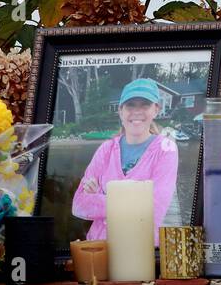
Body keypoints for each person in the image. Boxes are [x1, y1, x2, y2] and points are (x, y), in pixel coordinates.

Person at [72, 77, 179, 244]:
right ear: (121, 111)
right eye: (130, 105)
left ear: (156, 109)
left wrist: (100, 197)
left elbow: (153, 209)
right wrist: (134, 201)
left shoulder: (166, 149)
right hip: (98, 250)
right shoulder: (105, 150)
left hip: (140, 253)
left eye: (145, 104)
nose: (137, 111)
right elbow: (79, 205)